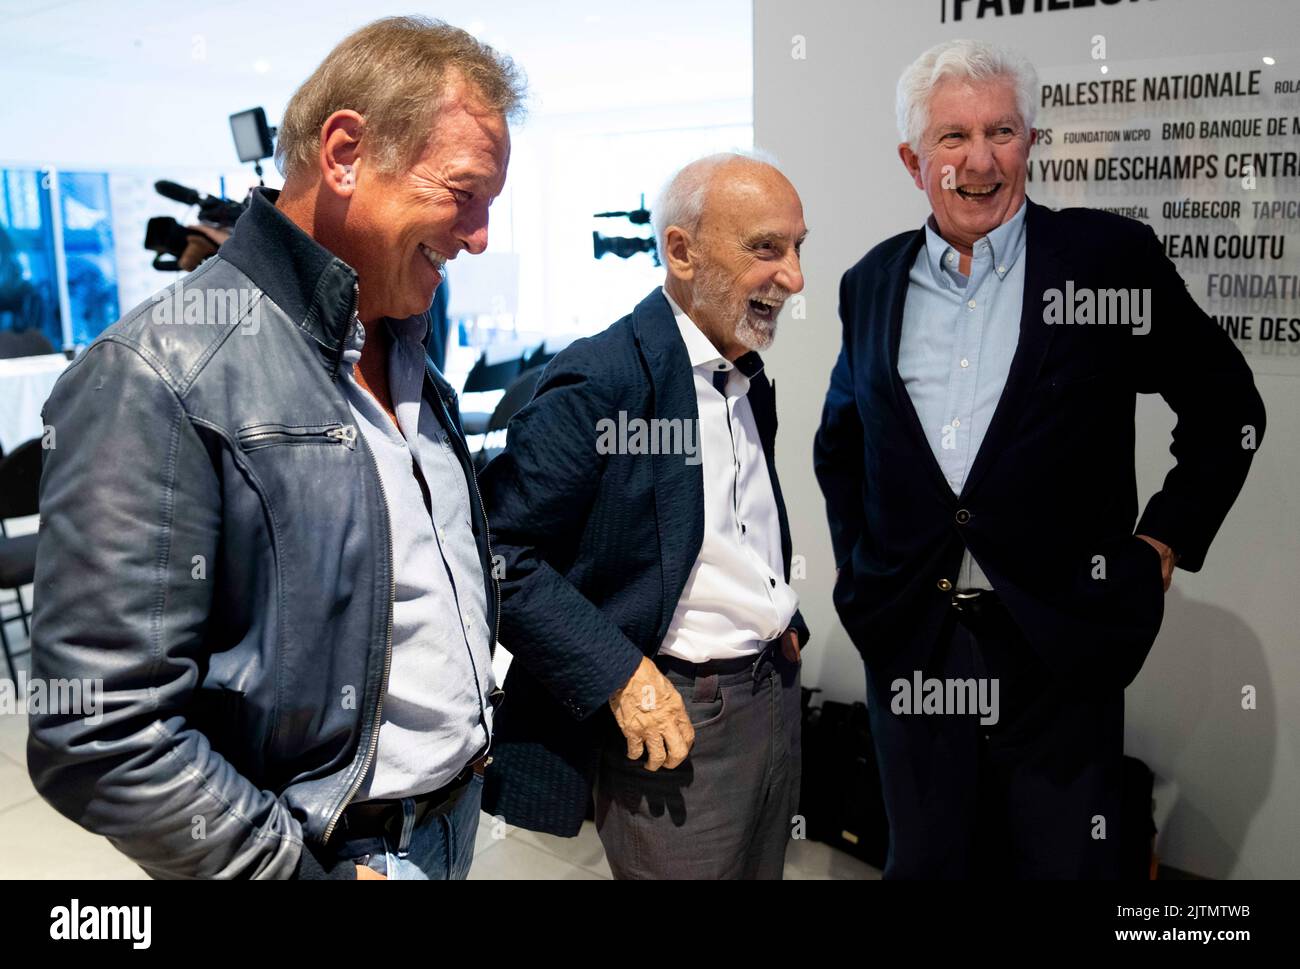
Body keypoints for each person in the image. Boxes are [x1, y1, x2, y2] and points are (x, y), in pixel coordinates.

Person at [27, 16, 524, 880]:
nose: (480, 236)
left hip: (450, 817)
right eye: (464, 193)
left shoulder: (404, 340)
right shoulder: (157, 371)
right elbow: (99, 728)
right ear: (344, 154)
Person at [814, 39, 1265, 878]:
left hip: (1059, 644)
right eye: (952, 138)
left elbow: (1227, 407)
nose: (980, 161)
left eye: (1003, 132)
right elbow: (842, 446)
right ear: (913, 160)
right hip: (916, 646)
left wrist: (1161, 541)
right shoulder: (869, 281)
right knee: (928, 865)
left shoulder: (1105, 260)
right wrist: (863, 575)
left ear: (1032, 141)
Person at [482, 153, 809, 879]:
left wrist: (774, 613)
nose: (794, 277)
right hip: (678, 720)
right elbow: (501, 552)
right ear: (681, 251)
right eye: (766, 248)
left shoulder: (745, 375)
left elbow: (732, 523)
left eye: (797, 248)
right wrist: (621, 676)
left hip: (772, 696)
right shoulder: (599, 381)